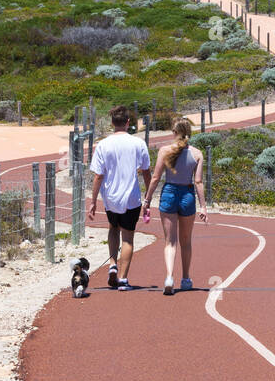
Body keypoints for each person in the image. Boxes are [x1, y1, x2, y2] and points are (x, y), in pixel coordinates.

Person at [88, 105, 152, 291]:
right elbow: (147, 172)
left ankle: (113, 264)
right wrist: (148, 196)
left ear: (112, 123)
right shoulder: (138, 143)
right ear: (128, 123)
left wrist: (93, 201)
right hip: (131, 198)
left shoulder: (103, 145)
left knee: (113, 228)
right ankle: (123, 279)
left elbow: (98, 175)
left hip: (110, 198)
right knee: (128, 238)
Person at [141, 117, 207, 295]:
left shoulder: (164, 150)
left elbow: (155, 178)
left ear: (174, 133)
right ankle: (185, 278)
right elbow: (198, 181)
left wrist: (147, 201)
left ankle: (169, 276)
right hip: (187, 194)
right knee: (186, 242)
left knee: (170, 242)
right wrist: (203, 206)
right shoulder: (197, 154)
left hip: (169, 193)